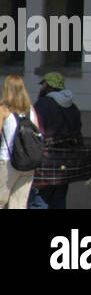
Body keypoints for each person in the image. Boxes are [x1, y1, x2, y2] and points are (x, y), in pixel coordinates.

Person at [29, 71, 86, 209]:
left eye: (43, 84)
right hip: (66, 161)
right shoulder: (72, 107)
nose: (41, 87)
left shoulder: (43, 104)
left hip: (46, 160)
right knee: (59, 199)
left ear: (47, 85)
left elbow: (36, 130)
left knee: (39, 199)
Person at [0, 74, 40, 209]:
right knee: (19, 205)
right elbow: (38, 134)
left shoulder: (3, 110)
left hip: (7, 162)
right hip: (28, 163)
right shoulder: (31, 110)